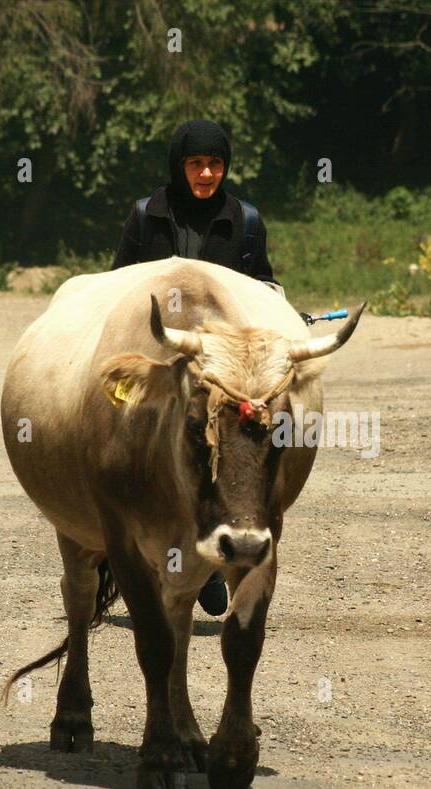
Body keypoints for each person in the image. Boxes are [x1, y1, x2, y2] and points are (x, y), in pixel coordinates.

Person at [110, 118, 307, 617]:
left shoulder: (247, 219)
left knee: (219, 460)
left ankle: (209, 568)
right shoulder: (144, 215)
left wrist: (285, 316)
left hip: (221, 370)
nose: (205, 174)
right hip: (158, 358)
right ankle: (120, 558)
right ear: (179, 166)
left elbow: (261, 285)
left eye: (215, 164)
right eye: (195, 164)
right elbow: (117, 285)